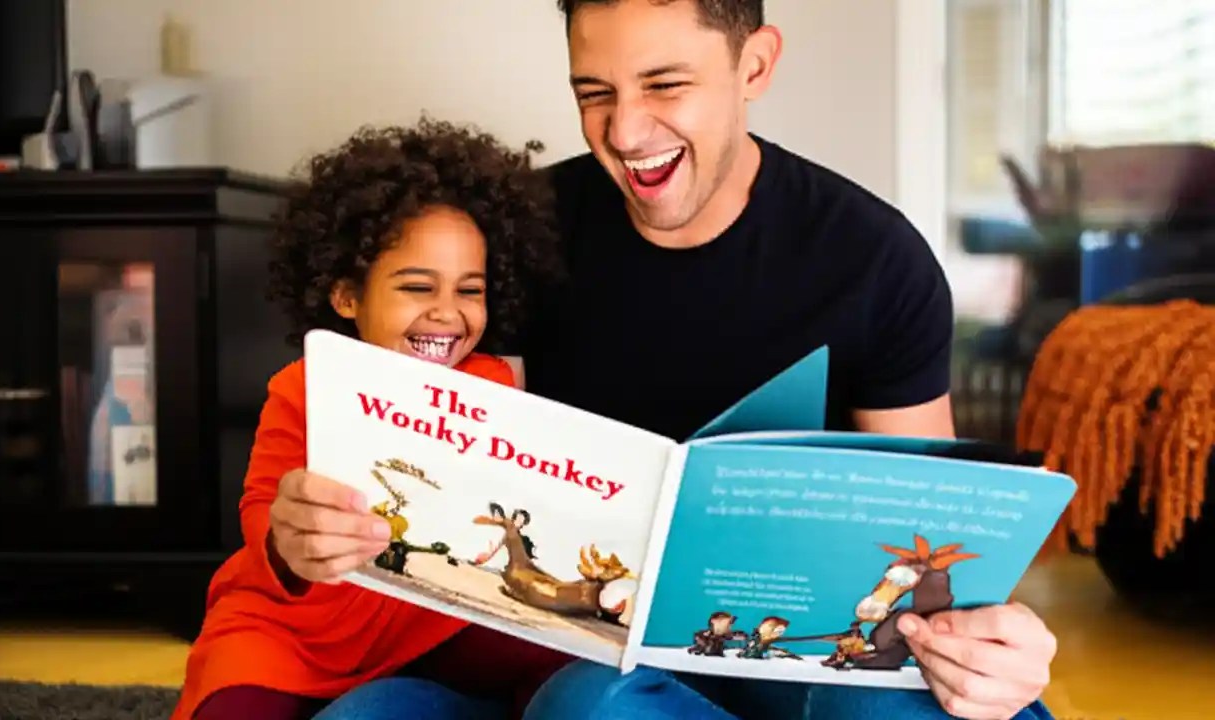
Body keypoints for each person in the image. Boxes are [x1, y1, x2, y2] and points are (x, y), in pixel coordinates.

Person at [513, 1, 1059, 719]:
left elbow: (935, 527)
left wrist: (993, 653)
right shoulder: (520, 232)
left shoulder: (874, 259)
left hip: (817, 656)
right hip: (604, 652)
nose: (625, 131)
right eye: (594, 93)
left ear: (756, 66)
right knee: (591, 705)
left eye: (666, 85)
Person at [169, 118, 572, 720]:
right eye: (416, 287)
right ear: (347, 296)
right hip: (300, 626)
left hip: (433, 618)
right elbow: (262, 507)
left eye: (471, 290)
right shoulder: (302, 386)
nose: (447, 314)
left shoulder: (495, 383)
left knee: (569, 660)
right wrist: (289, 541)